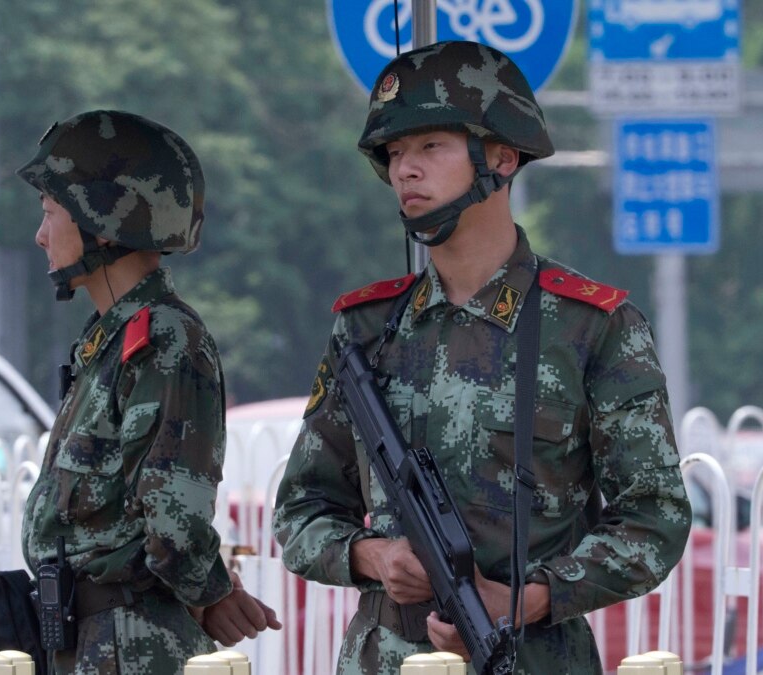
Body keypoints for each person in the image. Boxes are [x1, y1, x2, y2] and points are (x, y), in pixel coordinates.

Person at [272, 41, 691, 674]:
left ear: (502, 156)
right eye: (394, 153)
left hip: (536, 655)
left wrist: (532, 598)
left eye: (430, 146)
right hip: (385, 658)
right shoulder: (367, 329)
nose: (405, 170)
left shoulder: (591, 327)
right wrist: (376, 557)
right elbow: (301, 508)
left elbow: (654, 517)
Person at [18, 109, 280, 673]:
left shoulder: (165, 339)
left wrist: (209, 591)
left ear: (104, 224)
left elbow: (173, 519)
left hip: (130, 645)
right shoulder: (110, 340)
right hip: (89, 640)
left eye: (51, 213)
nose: (41, 235)